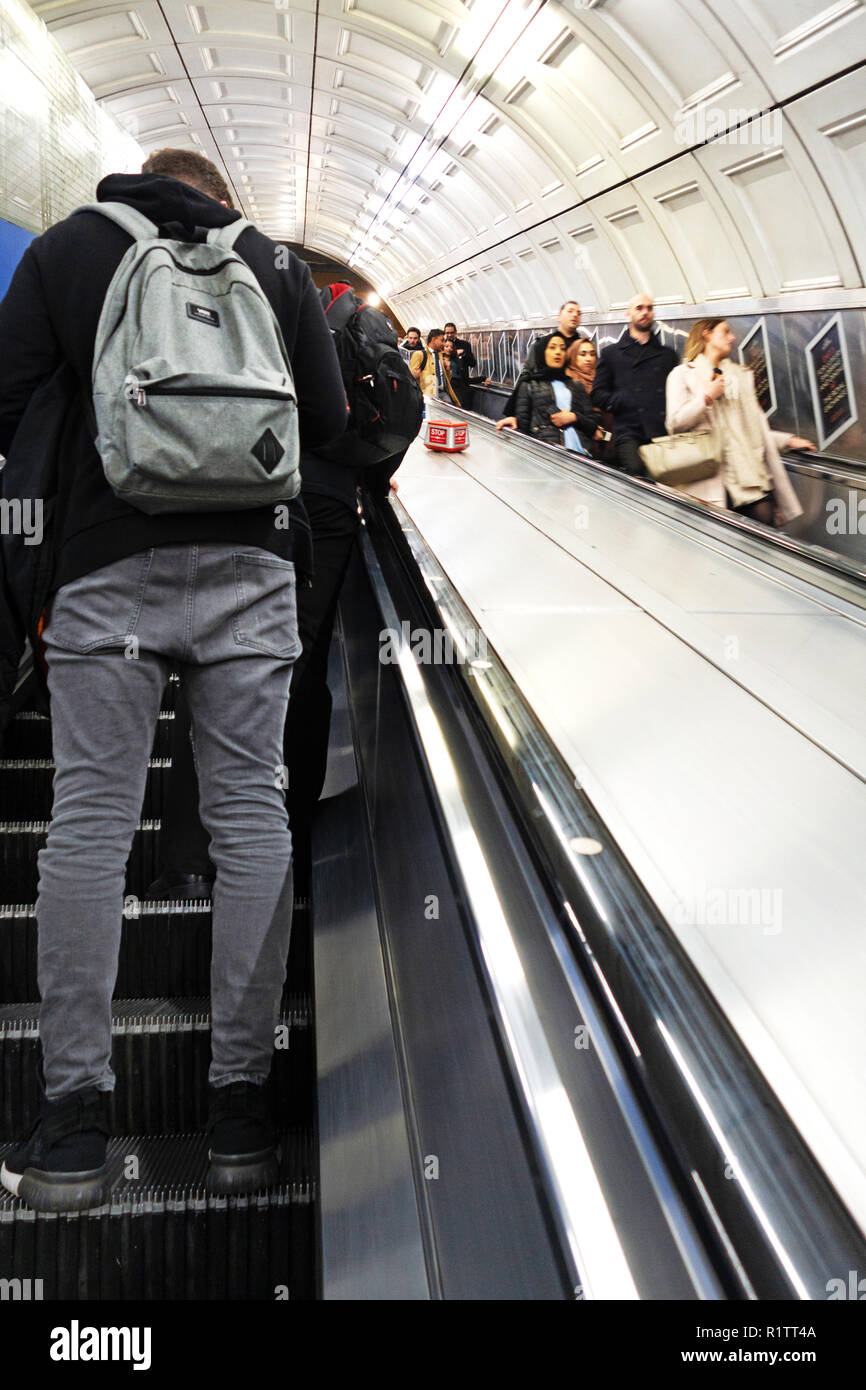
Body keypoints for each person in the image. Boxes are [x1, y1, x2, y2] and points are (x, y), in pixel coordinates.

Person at [0, 147, 348, 1212]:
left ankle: (73, 1132)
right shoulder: (274, 266)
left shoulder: (68, 247)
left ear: (133, 179)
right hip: (253, 570)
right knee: (251, 818)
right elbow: (327, 422)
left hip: (105, 567)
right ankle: (239, 1117)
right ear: (217, 195)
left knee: (91, 823)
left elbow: (8, 395)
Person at [665, 318, 813, 525]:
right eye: (725, 332)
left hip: (751, 477)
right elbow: (675, 424)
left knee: (765, 544)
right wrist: (706, 398)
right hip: (711, 481)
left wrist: (786, 441)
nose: (732, 337)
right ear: (707, 334)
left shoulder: (741, 376)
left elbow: (750, 427)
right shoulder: (682, 375)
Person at [591, 292, 679, 476]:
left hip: (662, 431)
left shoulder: (667, 356)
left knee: (665, 479)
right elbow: (598, 395)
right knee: (638, 474)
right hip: (628, 431)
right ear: (628, 313)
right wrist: (623, 399)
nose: (645, 312)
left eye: (649, 308)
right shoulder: (612, 354)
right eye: (639, 308)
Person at [494, 301, 585, 431]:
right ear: (559, 316)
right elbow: (527, 375)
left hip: (578, 408)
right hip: (545, 413)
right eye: (570, 311)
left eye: (578, 313)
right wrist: (515, 415)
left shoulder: (584, 347)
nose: (575, 315)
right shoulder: (543, 345)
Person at [514, 335, 596, 454]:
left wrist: (574, 417)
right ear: (542, 352)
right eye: (552, 348)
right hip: (547, 454)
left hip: (581, 454)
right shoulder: (529, 385)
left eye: (562, 349)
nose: (558, 352)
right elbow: (523, 429)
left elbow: (592, 424)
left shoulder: (576, 386)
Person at [564, 338, 608, 458]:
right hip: (580, 440)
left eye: (592, 354)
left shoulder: (602, 378)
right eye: (582, 354)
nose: (588, 359)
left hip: (604, 438)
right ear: (573, 356)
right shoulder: (567, 381)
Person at [440, 338, 491, 408]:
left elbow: (465, 379)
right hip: (446, 392)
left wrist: (483, 378)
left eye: (451, 347)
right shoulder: (438, 361)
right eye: (447, 346)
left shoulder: (457, 361)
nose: (449, 349)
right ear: (442, 347)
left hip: (459, 391)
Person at [413, 328, 444, 399]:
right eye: (441, 340)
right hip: (428, 393)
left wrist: (448, 370)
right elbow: (412, 376)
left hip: (443, 392)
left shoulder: (442, 355)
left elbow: (446, 377)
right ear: (433, 340)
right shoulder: (419, 354)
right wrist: (414, 375)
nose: (443, 343)